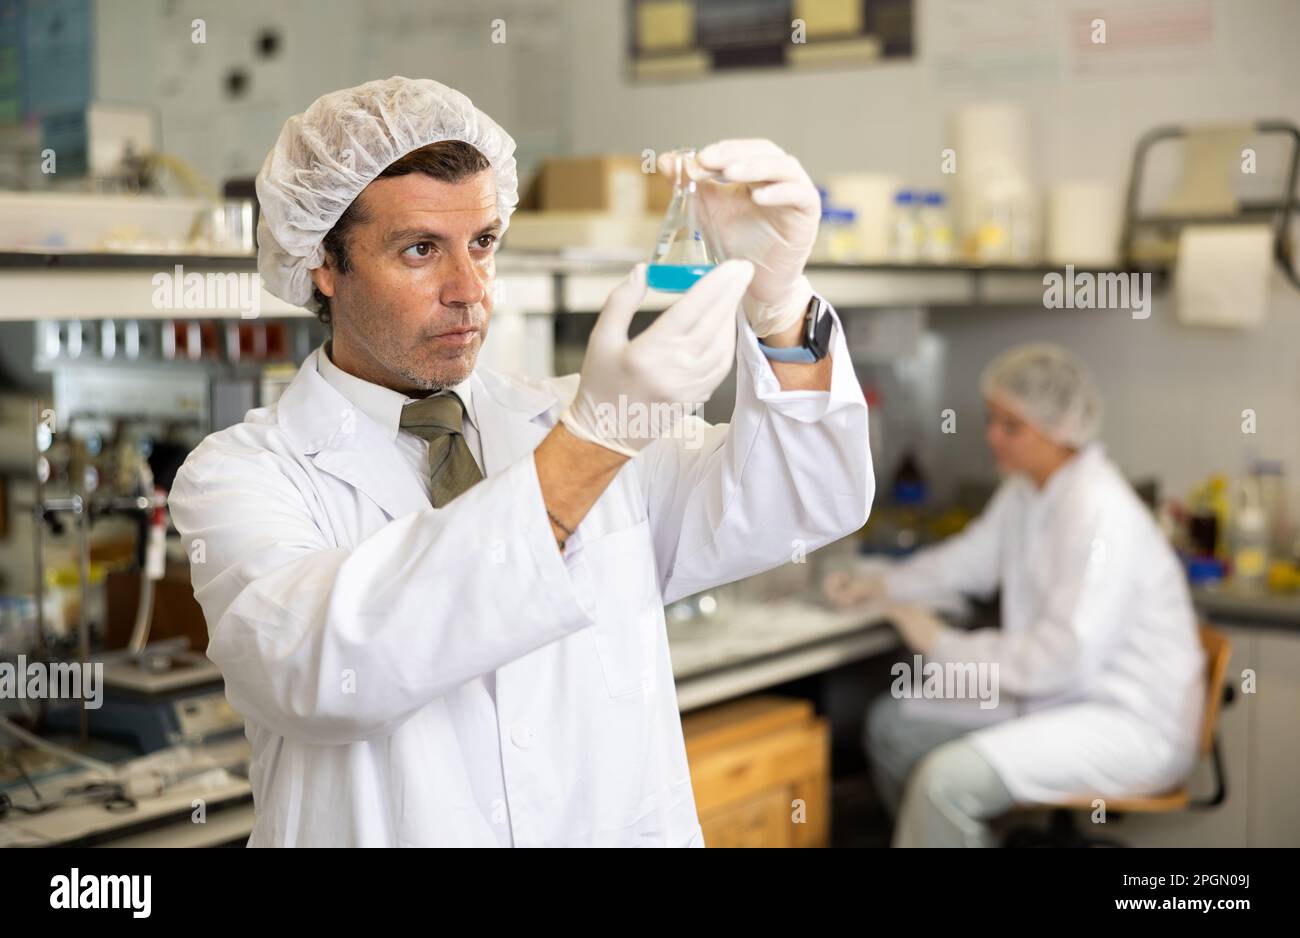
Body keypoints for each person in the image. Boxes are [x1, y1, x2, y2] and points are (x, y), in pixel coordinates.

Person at [167, 77, 874, 847]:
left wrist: (779, 307)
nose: (469, 291)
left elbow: (803, 505)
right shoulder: (242, 475)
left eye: (483, 243)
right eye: (419, 250)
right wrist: (593, 441)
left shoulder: (574, 420)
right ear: (321, 264)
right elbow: (319, 669)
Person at [824, 343, 1204, 847]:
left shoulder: (1099, 513)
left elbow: (1060, 657)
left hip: (1123, 718)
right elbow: (969, 561)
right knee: (894, 725)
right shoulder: (1029, 489)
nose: (991, 437)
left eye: (1010, 426)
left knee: (943, 783)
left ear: (1058, 429)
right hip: (1057, 693)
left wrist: (942, 644)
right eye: (992, 420)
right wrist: (883, 584)